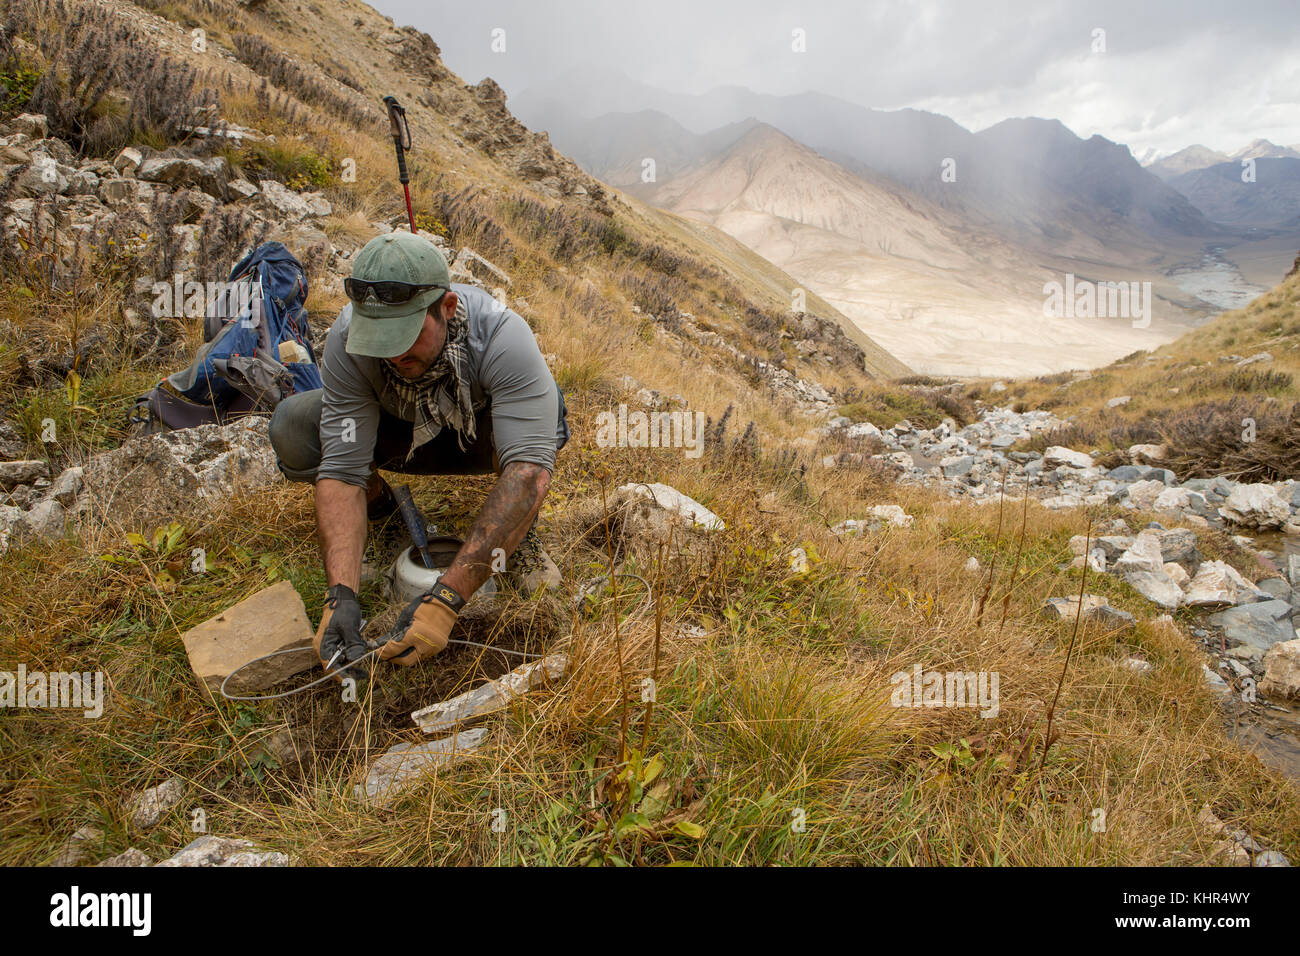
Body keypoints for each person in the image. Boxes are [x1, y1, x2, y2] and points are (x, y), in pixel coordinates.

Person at [268, 231, 568, 678]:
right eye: (379, 338)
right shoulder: (348, 340)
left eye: (406, 334)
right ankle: (385, 518)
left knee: (544, 420)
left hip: (479, 439)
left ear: (446, 308)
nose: (392, 353)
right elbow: (342, 471)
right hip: (399, 438)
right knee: (295, 425)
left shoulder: (502, 334)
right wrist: (341, 597)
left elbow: (527, 472)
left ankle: (518, 539)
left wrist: (447, 599)